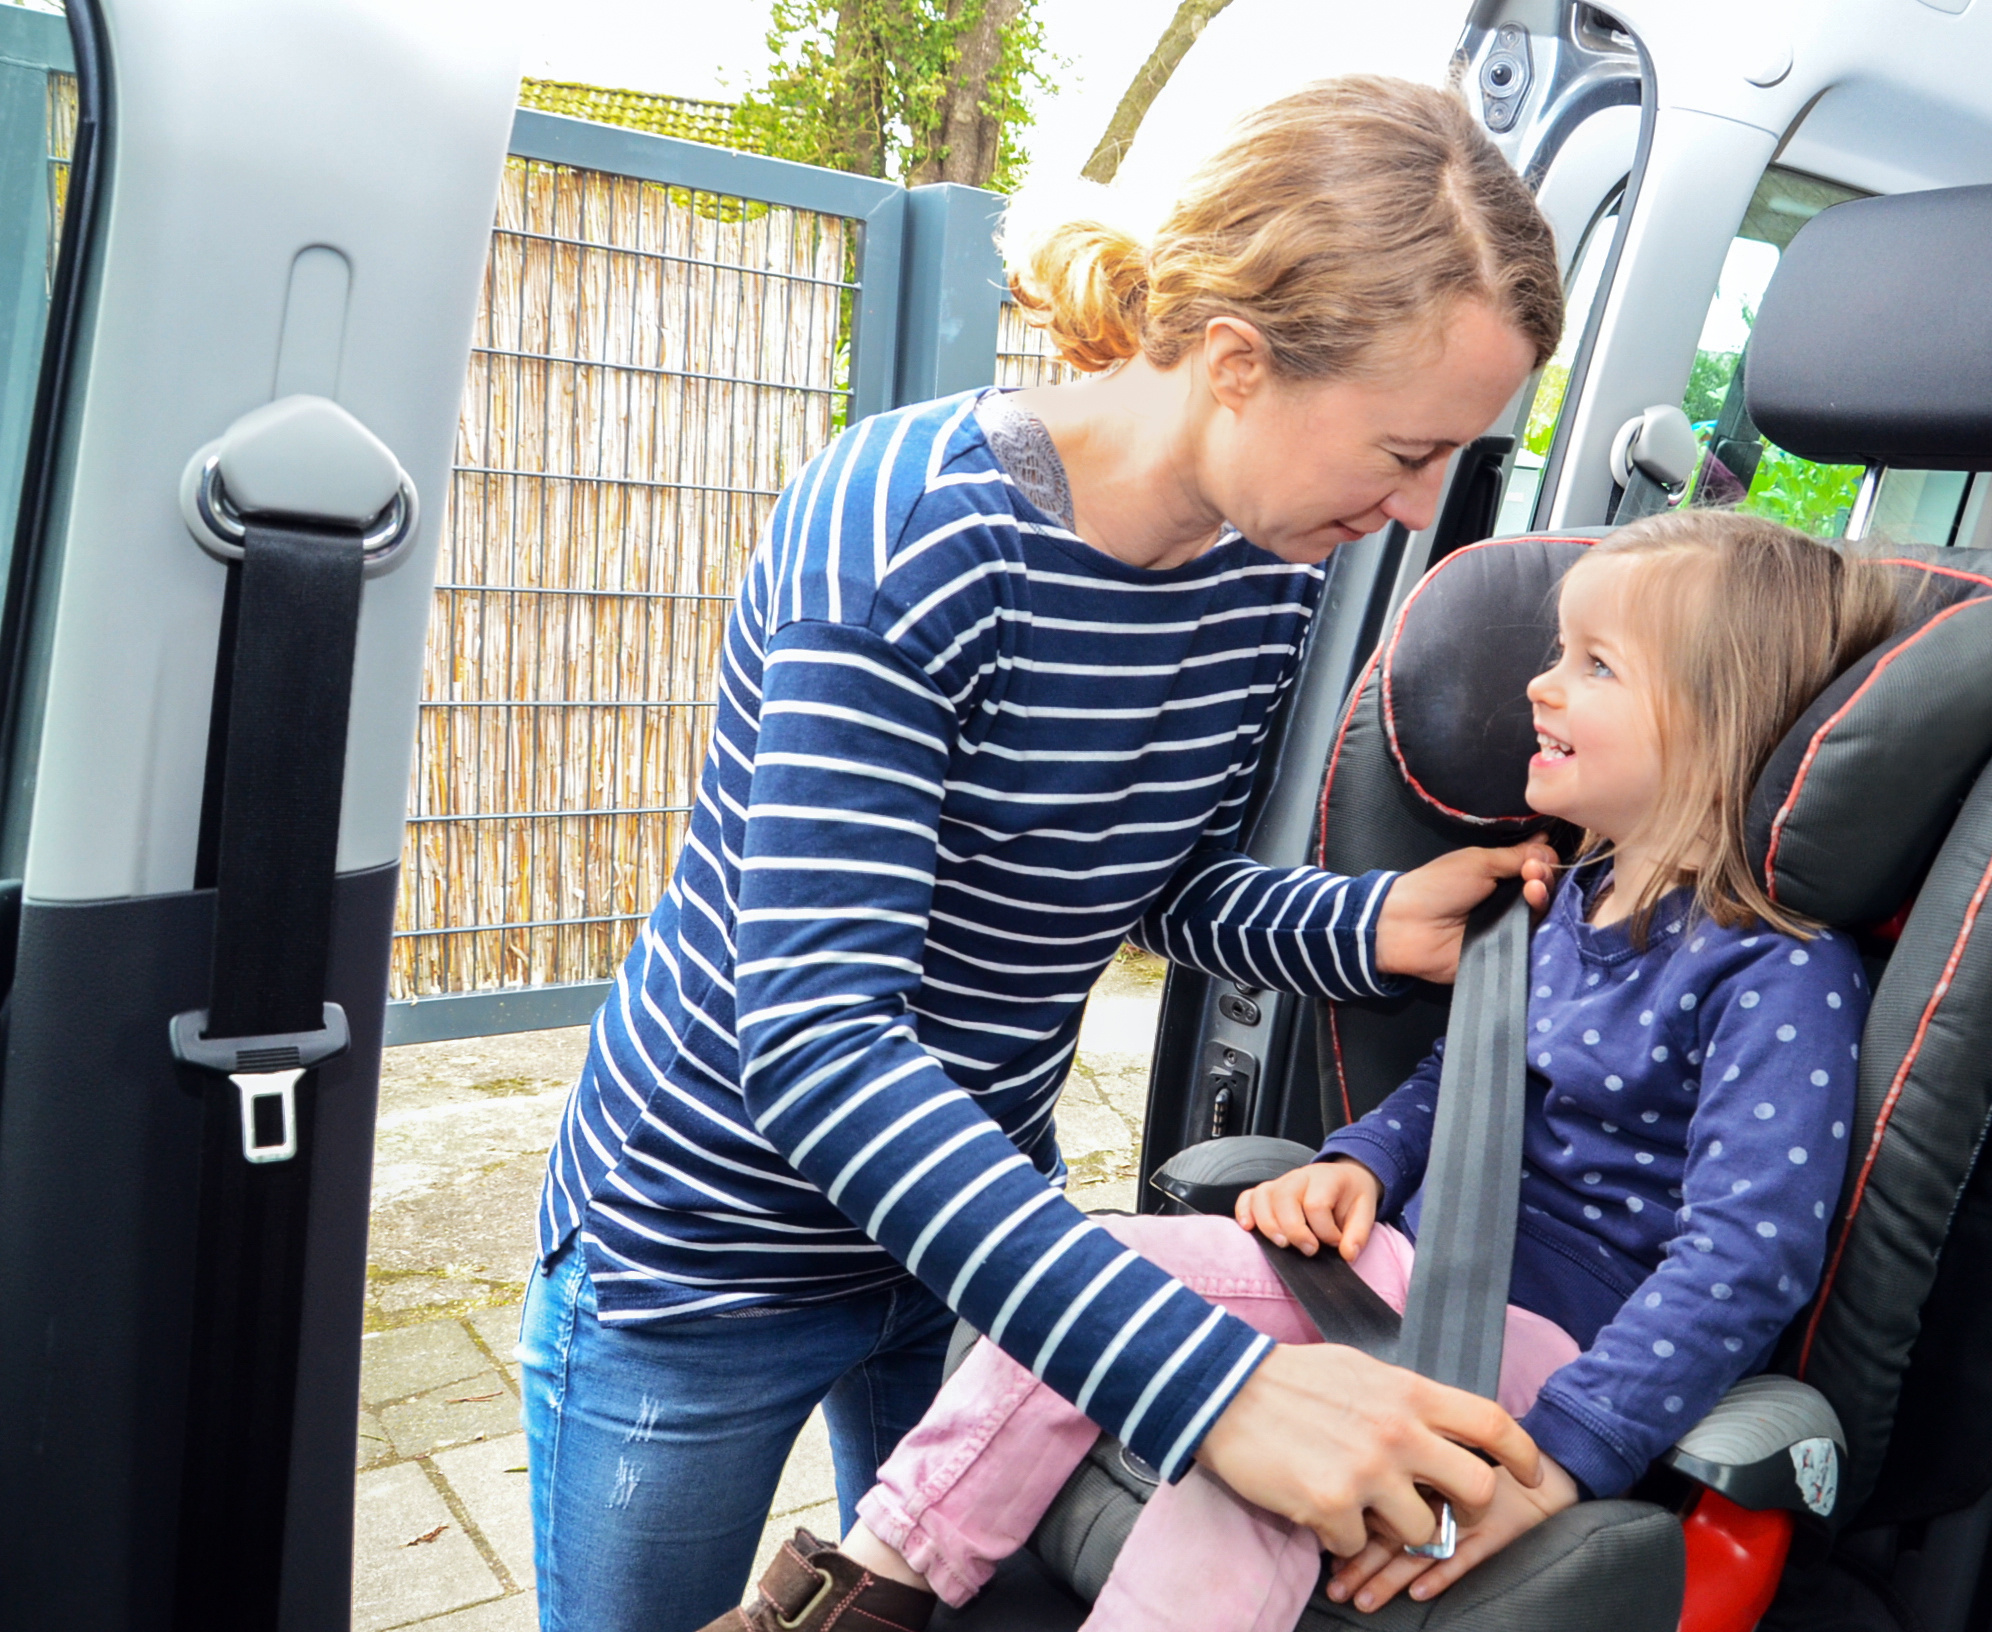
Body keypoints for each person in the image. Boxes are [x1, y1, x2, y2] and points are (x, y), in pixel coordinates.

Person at [520, 75, 1569, 1631]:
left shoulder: (1261, 576)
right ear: (1234, 361)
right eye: (1409, 451)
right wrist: (1219, 1390)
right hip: (712, 1258)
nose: (1417, 511)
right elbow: (816, 1043)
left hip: (969, 1239)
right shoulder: (904, 526)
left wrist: (1374, 926)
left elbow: (1154, 881)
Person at [724, 512, 1902, 1632]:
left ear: (1718, 719)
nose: (1539, 686)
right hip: (1400, 1269)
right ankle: (886, 1579)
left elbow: (1748, 1255)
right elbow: (1466, 1084)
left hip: (1553, 1337)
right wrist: (1363, 1163)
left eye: (1596, 666)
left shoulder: (1777, 972)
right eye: (1555, 651)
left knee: (1272, 1483)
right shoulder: (1568, 900)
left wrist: (1567, 1450)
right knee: (1099, 1274)